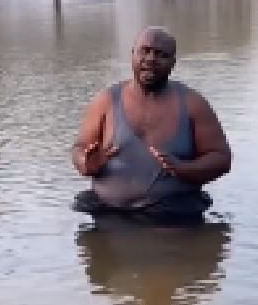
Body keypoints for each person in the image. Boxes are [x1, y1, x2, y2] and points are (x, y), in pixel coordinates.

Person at [70, 27, 232, 222]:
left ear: (173, 63)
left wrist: (184, 168)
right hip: (107, 211)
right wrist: (86, 163)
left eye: (161, 54)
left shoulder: (193, 104)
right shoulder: (105, 101)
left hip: (172, 215)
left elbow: (221, 158)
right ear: (133, 55)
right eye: (144, 51)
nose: (151, 59)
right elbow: (79, 148)